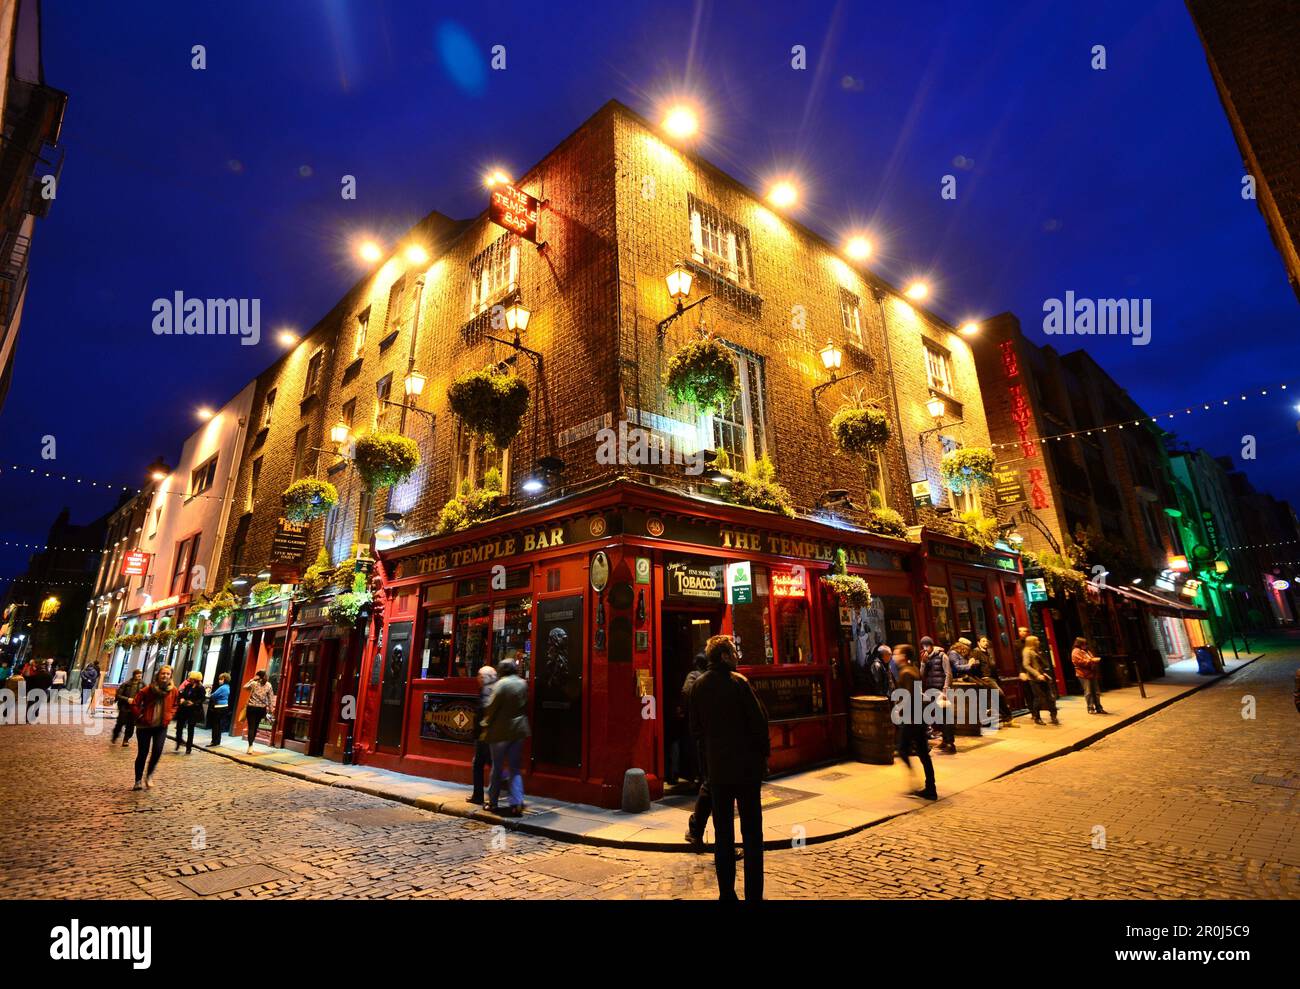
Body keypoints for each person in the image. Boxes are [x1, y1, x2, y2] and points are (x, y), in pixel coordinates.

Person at [689, 634, 769, 901]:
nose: (737, 657)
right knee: (752, 835)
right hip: (746, 772)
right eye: (734, 653)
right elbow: (759, 726)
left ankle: (727, 894)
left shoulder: (699, 686)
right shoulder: (740, 683)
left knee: (723, 835)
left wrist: (708, 763)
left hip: (718, 773)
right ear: (724, 656)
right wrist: (762, 762)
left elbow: (696, 729)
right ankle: (753, 895)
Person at [482, 658, 530, 816]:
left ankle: (493, 802)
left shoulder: (501, 684)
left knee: (497, 767)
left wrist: (485, 723)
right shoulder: (523, 683)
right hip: (518, 730)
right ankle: (516, 802)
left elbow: (491, 707)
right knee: (515, 768)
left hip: (500, 732)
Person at [893, 643, 937, 800]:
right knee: (924, 754)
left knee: (902, 750)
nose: (894, 656)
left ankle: (915, 782)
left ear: (903, 656)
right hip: (919, 717)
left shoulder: (905, 673)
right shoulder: (914, 670)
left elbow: (909, 697)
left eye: (896, 653)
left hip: (912, 718)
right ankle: (930, 788)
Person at [130, 665, 179, 791]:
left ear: (171, 676)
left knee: (157, 751)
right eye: (163, 673)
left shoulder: (173, 691)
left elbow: (175, 704)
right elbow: (135, 703)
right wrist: (140, 716)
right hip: (145, 726)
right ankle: (138, 780)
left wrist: (170, 715)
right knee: (143, 753)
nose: (165, 676)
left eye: (168, 674)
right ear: (158, 675)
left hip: (161, 726)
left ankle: (149, 774)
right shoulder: (148, 689)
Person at [920, 636, 956, 753]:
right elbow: (921, 675)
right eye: (923, 646)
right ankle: (944, 740)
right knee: (937, 717)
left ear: (931, 645)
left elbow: (948, 673)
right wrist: (923, 663)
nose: (925, 648)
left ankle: (950, 743)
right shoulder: (925, 658)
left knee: (946, 717)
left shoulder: (942, 656)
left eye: (927, 645)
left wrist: (945, 689)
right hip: (930, 690)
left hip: (941, 690)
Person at [467, 665, 497, 805]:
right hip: (492, 734)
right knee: (491, 763)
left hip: (484, 735)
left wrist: (478, 730)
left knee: (478, 764)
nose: (477, 678)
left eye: (479, 676)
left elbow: (484, 712)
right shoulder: (496, 688)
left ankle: (478, 796)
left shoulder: (486, 690)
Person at [970, 635, 1014, 726]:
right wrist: (980, 678)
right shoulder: (976, 652)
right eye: (983, 641)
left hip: (992, 678)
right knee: (1000, 694)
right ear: (978, 643)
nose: (986, 643)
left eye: (986, 641)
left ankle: (1006, 718)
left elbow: (992, 666)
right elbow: (973, 666)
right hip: (985, 679)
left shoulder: (987, 653)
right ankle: (1007, 718)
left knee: (995, 698)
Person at [1020, 634, 1059, 725]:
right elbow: (1026, 665)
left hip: (1042, 677)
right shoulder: (1027, 651)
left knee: (1050, 697)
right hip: (1034, 679)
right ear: (1031, 642)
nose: (1038, 642)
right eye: (1036, 640)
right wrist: (1037, 674)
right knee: (1039, 698)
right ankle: (1037, 718)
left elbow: (1039, 665)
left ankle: (1053, 716)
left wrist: (1044, 674)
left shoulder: (1036, 651)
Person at [173, 671, 207, 753]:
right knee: (179, 727)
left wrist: (194, 703)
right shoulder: (188, 685)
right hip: (184, 709)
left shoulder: (201, 688)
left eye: (191, 677)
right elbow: (182, 694)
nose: (189, 679)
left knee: (190, 729)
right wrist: (181, 699)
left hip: (193, 711)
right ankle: (178, 742)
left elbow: (202, 699)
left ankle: (189, 747)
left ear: (195, 679)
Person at [1071, 637, 1107, 715]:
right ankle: (1090, 708)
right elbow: (1079, 661)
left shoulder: (1086, 651)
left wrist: (1093, 659)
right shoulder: (1075, 651)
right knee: (1088, 692)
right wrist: (1091, 660)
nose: (1086, 645)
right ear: (1079, 644)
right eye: (1084, 644)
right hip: (1083, 674)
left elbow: (1091, 657)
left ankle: (1099, 707)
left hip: (1092, 673)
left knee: (1096, 692)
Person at [243, 669, 276, 752]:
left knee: (251, 727)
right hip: (261, 709)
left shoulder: (254, 683)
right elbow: (270, 698)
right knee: (255, 727)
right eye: (265, 676)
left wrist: (252, 679)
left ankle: (250, 746)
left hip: (252, 708)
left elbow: (245, 687)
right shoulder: (269, 685)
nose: (267, 677)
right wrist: (271, 709)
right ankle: (251, 745)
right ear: (263, 677)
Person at [112, 669, 144, 746]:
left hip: (135, 708)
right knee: (120, 723)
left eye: (140, 674)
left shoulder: (143, 685)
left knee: (131, 725)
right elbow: (118, 695)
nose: (139, 675)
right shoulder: (126, 684)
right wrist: (127, 699)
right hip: (124, 707)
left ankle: (126, 739)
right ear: (134, 675)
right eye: (137, 674)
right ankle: (115, 736)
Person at [206, 673, 231, 746]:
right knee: (219, 725)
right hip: (225, 706)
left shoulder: (222, 688)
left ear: (225, 680)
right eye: (219, 679)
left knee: (215, 725)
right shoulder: (227, 687)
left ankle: (214, 741)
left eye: (221, 679)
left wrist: (210, 693)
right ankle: (218, 741)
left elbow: (213, 695)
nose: (219, 681)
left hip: (219, 707)